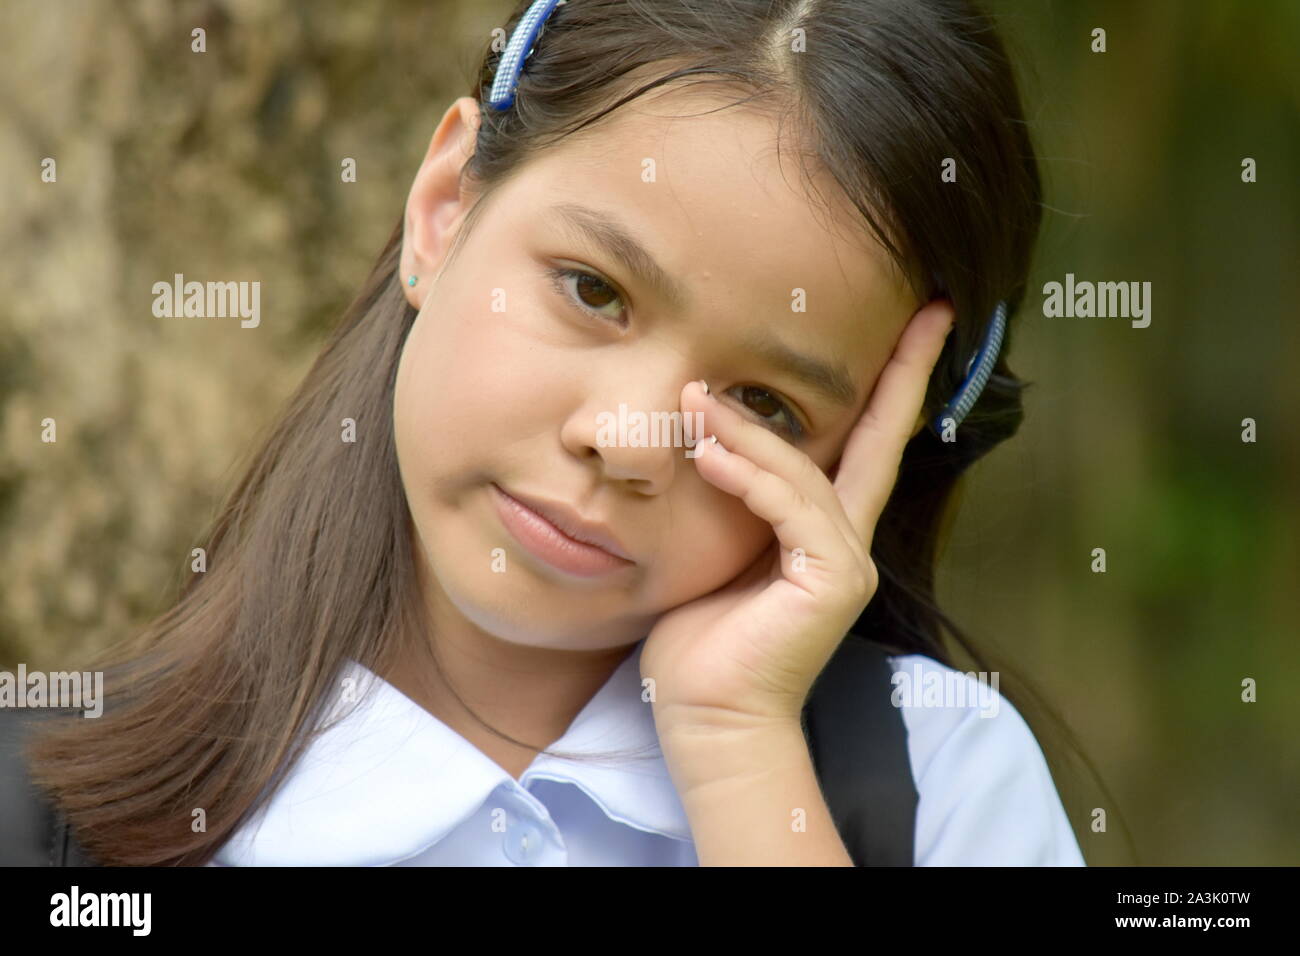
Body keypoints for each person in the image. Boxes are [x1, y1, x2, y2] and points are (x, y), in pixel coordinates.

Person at [13, 0, 1085, 866]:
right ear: (444, 207)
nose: (624, 441)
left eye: (766, 405)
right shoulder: (49, 816)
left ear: (862, 456)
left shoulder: (936, 783)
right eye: (592, 289)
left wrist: (736, 753)